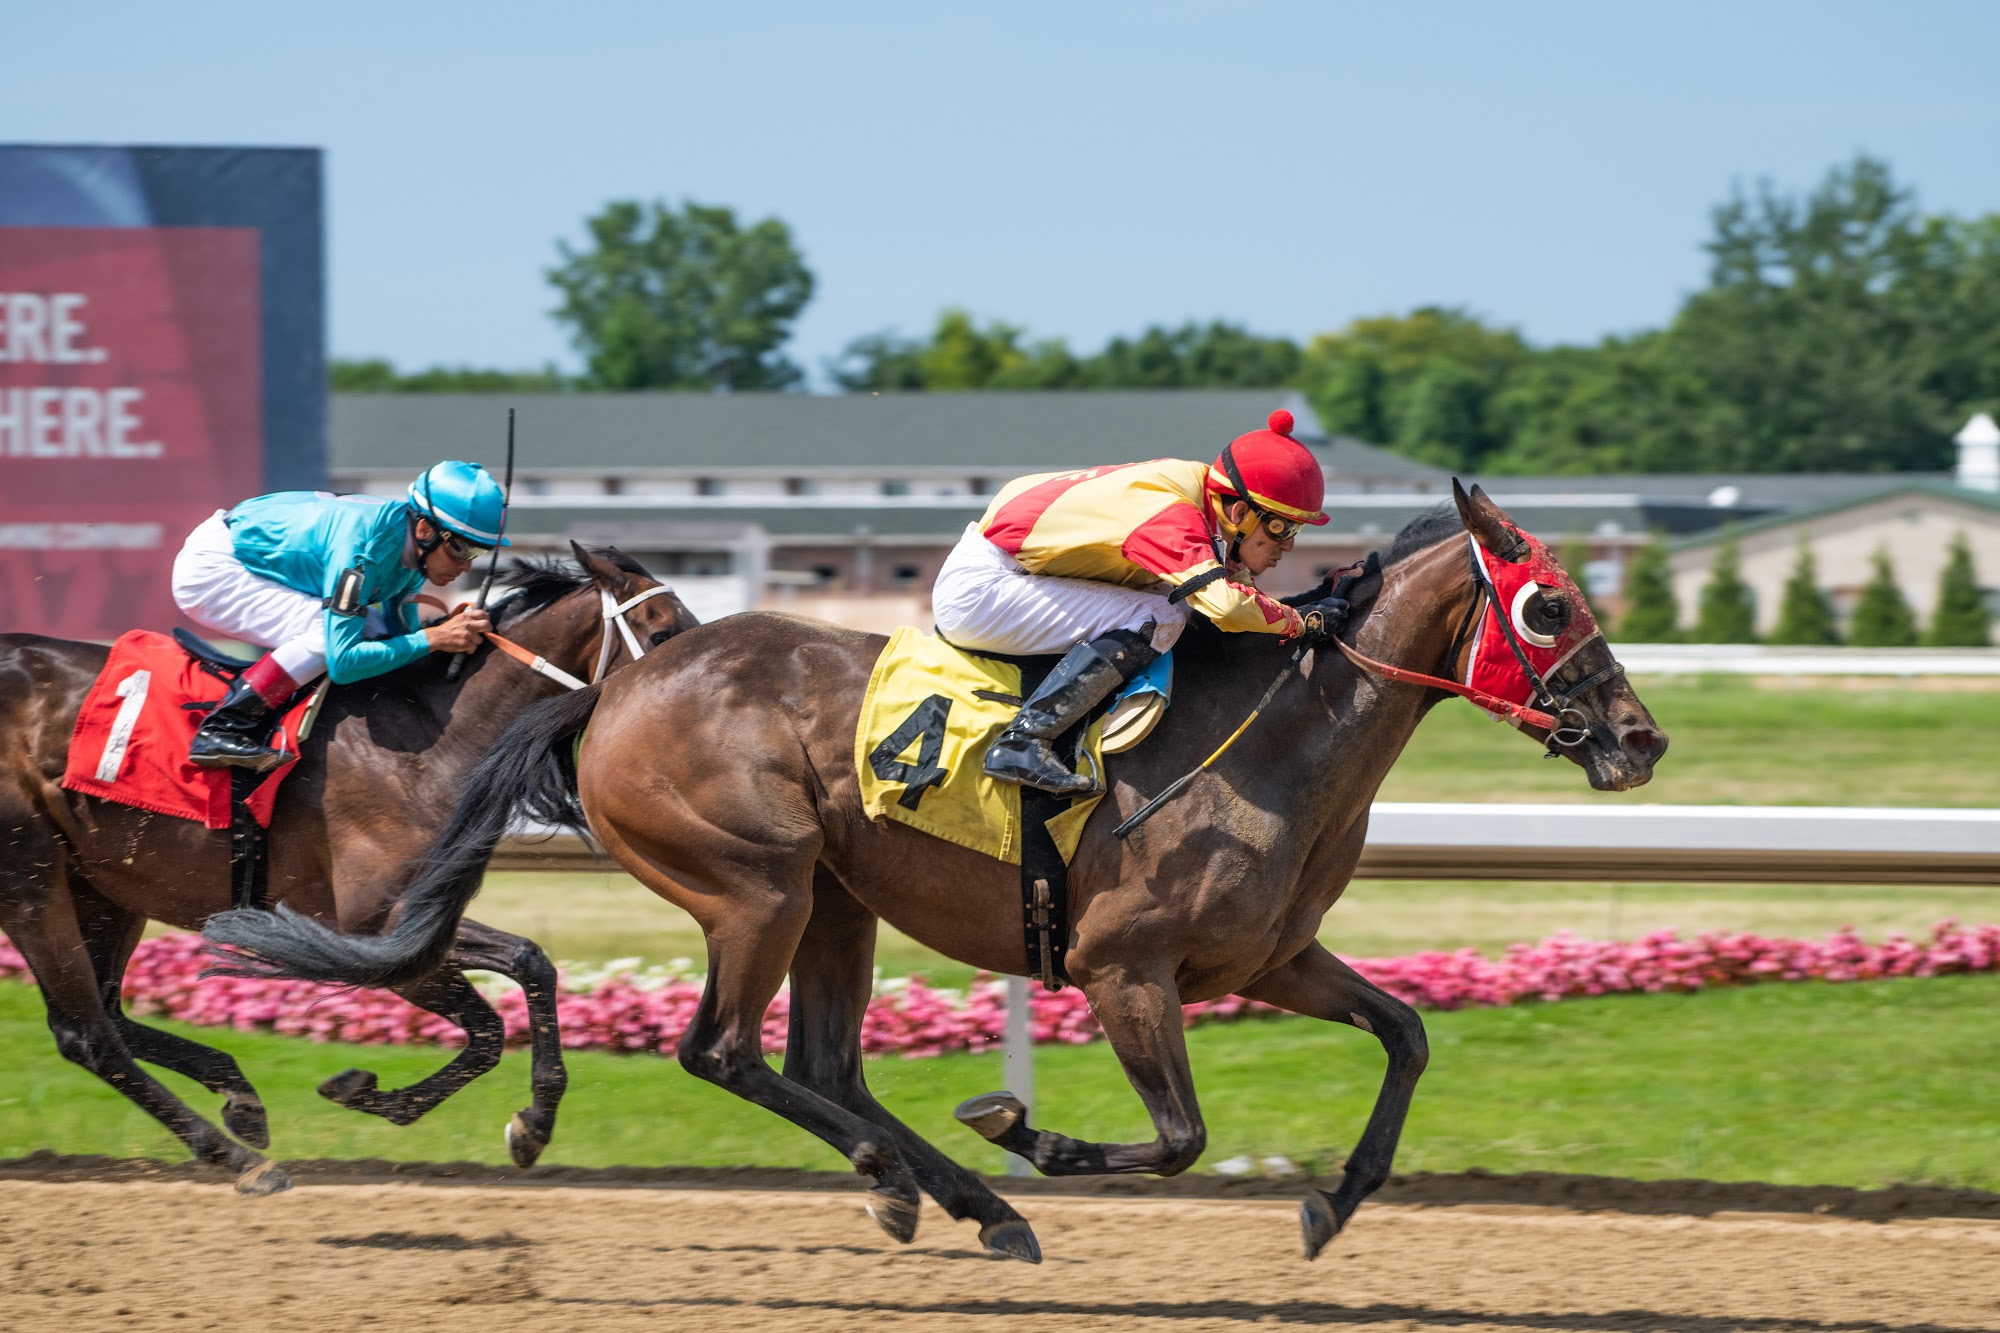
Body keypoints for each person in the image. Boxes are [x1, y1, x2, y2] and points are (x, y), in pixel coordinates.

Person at [933, 408, 1348, 797]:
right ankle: (1024, 739)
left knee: (1177, 603)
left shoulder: (1199, 488)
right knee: (1161, 614)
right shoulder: (1171, 513)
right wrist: (1300, 622)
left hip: (1017, 571)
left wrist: (1300, 606)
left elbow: (1229, 583)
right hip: (984, 591)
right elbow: (1225, 606)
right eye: (1281, 528)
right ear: (1239, 511)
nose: (1289, 546)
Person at [169, 460, 508, 771]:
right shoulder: (361, 554)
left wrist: (434, 641)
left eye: (478, 552)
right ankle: (223, 725)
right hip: (213, 570)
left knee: (374, 633)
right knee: (325, 636)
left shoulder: (413, 547)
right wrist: (435, 638)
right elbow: (343, 661)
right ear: (424, 530)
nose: (466, 566)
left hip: (253, 553)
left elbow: (396, 628)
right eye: (461, 549)